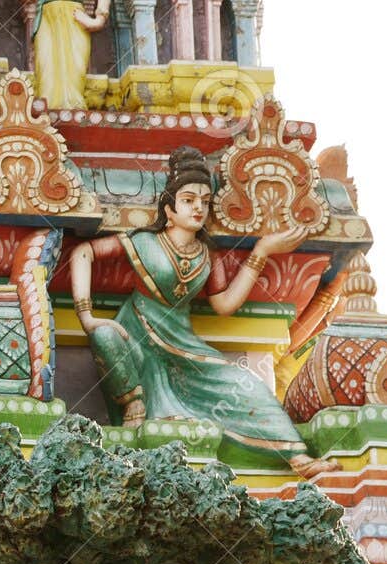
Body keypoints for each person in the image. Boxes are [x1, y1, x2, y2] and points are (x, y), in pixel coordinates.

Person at [70, 146, 335, 479]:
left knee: (244, 383)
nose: (198, 208)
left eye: (205, 201)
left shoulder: (205, 255)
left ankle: (297, 458)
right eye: (189, 200)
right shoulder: (143, 241)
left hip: (185, 347)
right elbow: (83, 252)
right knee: (104, 334)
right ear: (169, 207)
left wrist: (262, 250)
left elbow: (224, 304)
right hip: (135, 336)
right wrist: (87, 316)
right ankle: (134, 406)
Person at [28, 1, 107, 109]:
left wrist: (99, 20)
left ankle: (72, 117)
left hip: (75, 18)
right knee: (47, 77)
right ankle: (47, 119)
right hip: (47, 19)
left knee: (75, 73)